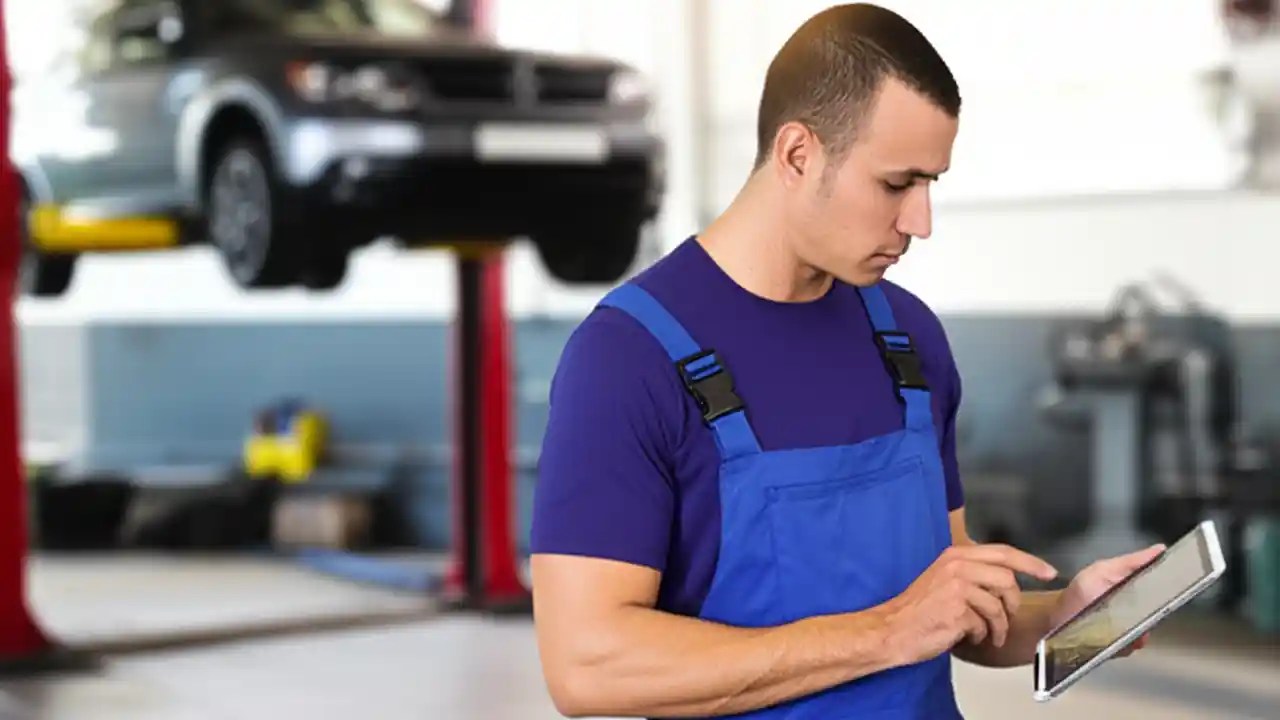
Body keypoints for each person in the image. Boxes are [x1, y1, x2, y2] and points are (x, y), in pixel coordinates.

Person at [528, 4, 1163, 718]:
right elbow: (588, 667)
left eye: (931, 184)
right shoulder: (626, 359)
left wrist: (1067, 618)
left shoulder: (908, 339)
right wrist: (885, 635)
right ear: (798, 154)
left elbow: (948, 613)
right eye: (897, 184)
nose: (920, 222)